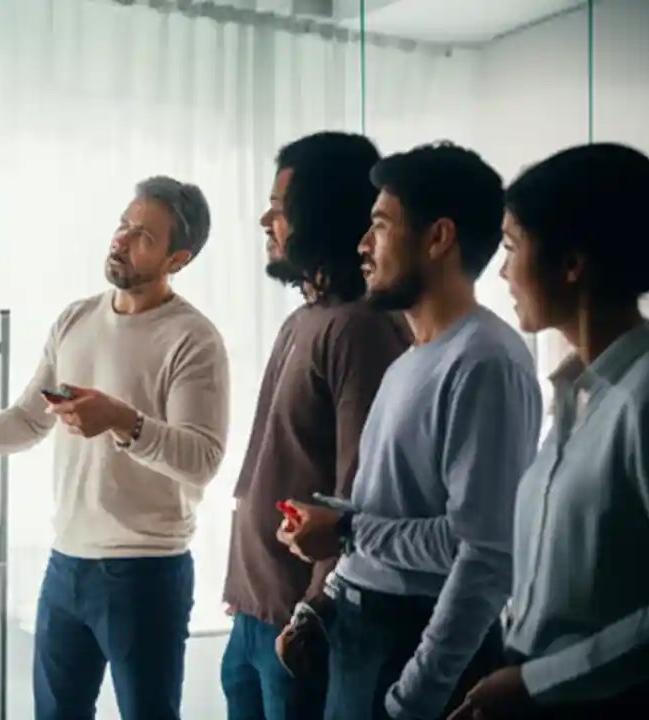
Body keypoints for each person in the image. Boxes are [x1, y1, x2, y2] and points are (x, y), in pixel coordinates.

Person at [0, 176, 229, 720]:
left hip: (146, 572)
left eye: (143, 236)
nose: (121, 240)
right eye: (123, 225)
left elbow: (203, 459)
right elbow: (29, 421)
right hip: (66, 566)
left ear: (178, 258)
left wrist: (125, 423)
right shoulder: (76, 319)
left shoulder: (192, 339)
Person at [276, 142, 543, 720]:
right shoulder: (411, 359)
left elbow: (482, 550)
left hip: (410, 645)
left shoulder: (486, 361)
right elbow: (394, 511)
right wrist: (323, 600)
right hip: (361, 631)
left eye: (379, 225)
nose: (362, 245)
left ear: (438, 237)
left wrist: (415, 696)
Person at [449, 143, 649, 718]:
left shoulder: (643, 398)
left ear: (570, 264)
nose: (504, 270)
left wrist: (538, 680)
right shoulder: (573, 393)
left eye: (513, 247)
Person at [222, 132, 411, 719]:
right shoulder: (305, 320)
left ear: (320, 214)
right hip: (255, 617)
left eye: (280, 209)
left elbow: (359, 491)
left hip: (302, 629)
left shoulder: (360, 329)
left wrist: (311, 609)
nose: (265, 220)